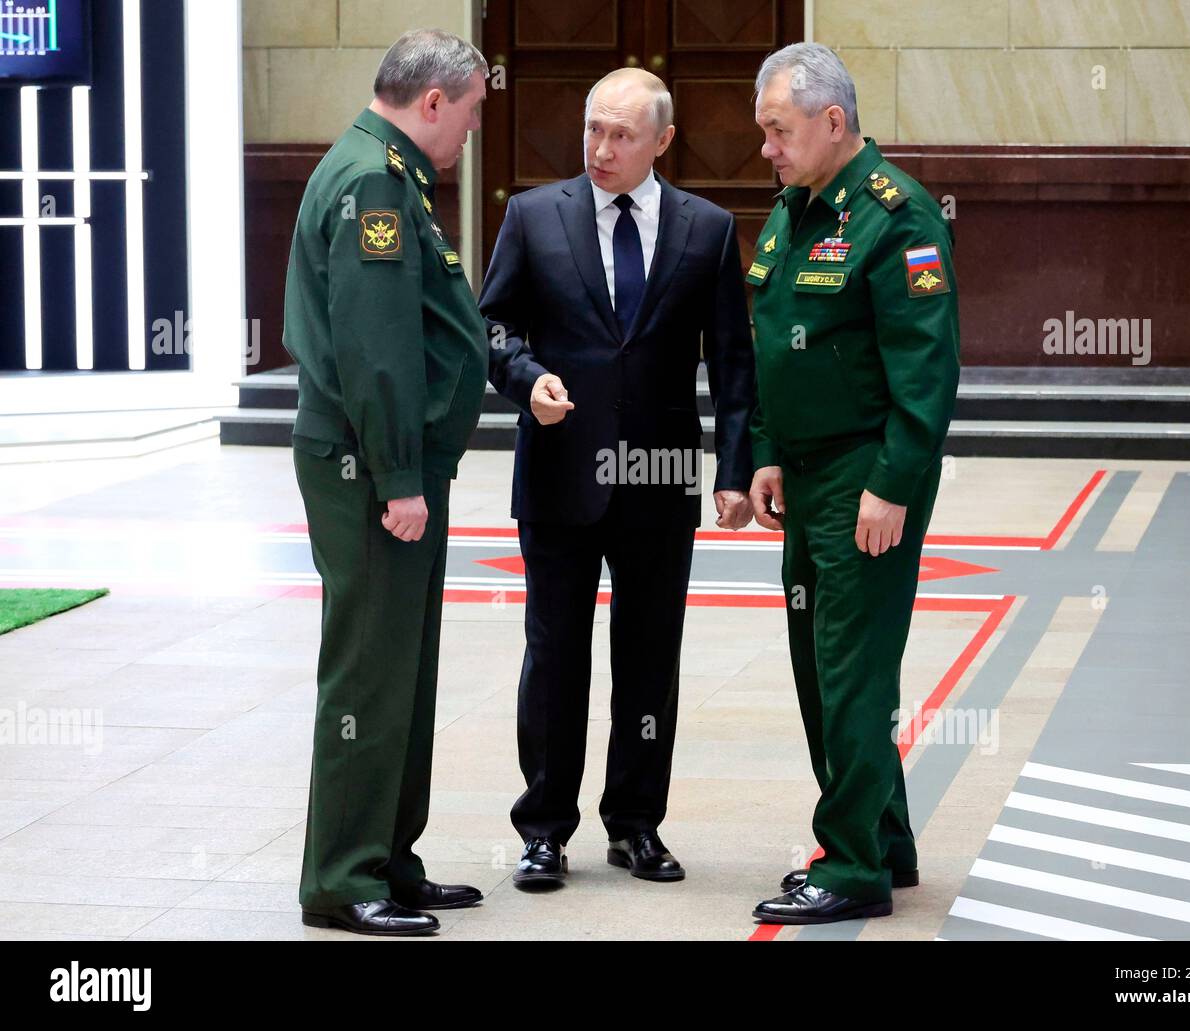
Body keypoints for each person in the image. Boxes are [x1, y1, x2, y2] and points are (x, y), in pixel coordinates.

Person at [479, 67, 756, 889]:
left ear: (663, 141)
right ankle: (543, 828)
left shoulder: (706, 230)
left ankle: (635, 822)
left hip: (659, 478)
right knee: (554, 654)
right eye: (593, 129)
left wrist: (735, 469)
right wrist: (527, 378)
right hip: (561, 474)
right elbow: (491, 323)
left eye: (622, 135)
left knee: (647, 658)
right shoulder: (533, 216)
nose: (600, 148)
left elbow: (734, 361)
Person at [745, 43, 960, 925]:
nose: (766, 148)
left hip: (864, 475)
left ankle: (854, 861)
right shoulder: (793, 211)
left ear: (834, 123)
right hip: (804, 472)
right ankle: (888, 837)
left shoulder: (896, 217)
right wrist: (763, 449)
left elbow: (927, 370)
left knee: (850, 667)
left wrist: (893, 483)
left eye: (778, 130)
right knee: (822, 665)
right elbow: (776, 342)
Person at [283, 29, 489, 937]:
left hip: (389, 464)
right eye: (474, 112)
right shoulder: (374, 181)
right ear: (434, 103)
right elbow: (374, 349)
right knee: (369, 672)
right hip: (370, 468)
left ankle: (388, 858)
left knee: (402, 666)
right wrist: (401, 474)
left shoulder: (390, 172)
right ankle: (341, 876)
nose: (474, 133)